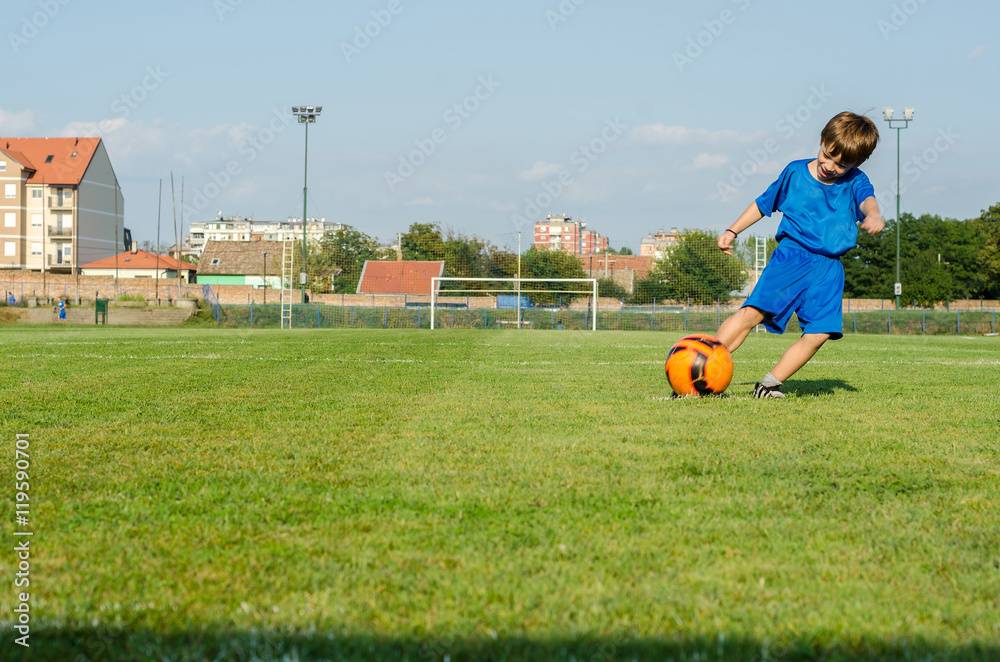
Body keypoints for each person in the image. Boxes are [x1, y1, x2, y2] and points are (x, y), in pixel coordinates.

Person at [715, 111, 885, 398]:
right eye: (827, 155)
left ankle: (769, 384)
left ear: (857, 163)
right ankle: (703, 366)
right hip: (792, 258)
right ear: (821, 141)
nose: (830, 166)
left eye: (841, 164)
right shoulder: (794, 172)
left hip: (828, 268)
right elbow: (762, 204)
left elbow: (868, 200)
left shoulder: (856, 181)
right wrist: (732, 231)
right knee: (752, 314)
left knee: (819, 333)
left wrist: (875, 214)